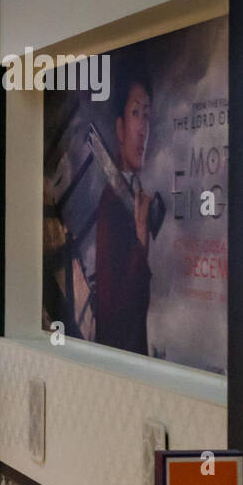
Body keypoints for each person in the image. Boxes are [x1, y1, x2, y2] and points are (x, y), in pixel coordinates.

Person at [94, 69, 153, 355]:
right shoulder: (112, 203)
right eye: (135, 113)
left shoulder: (134, 194)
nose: (143, 129)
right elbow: (116, 307)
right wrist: (142, 240)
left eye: (147, 116)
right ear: (119, 129)